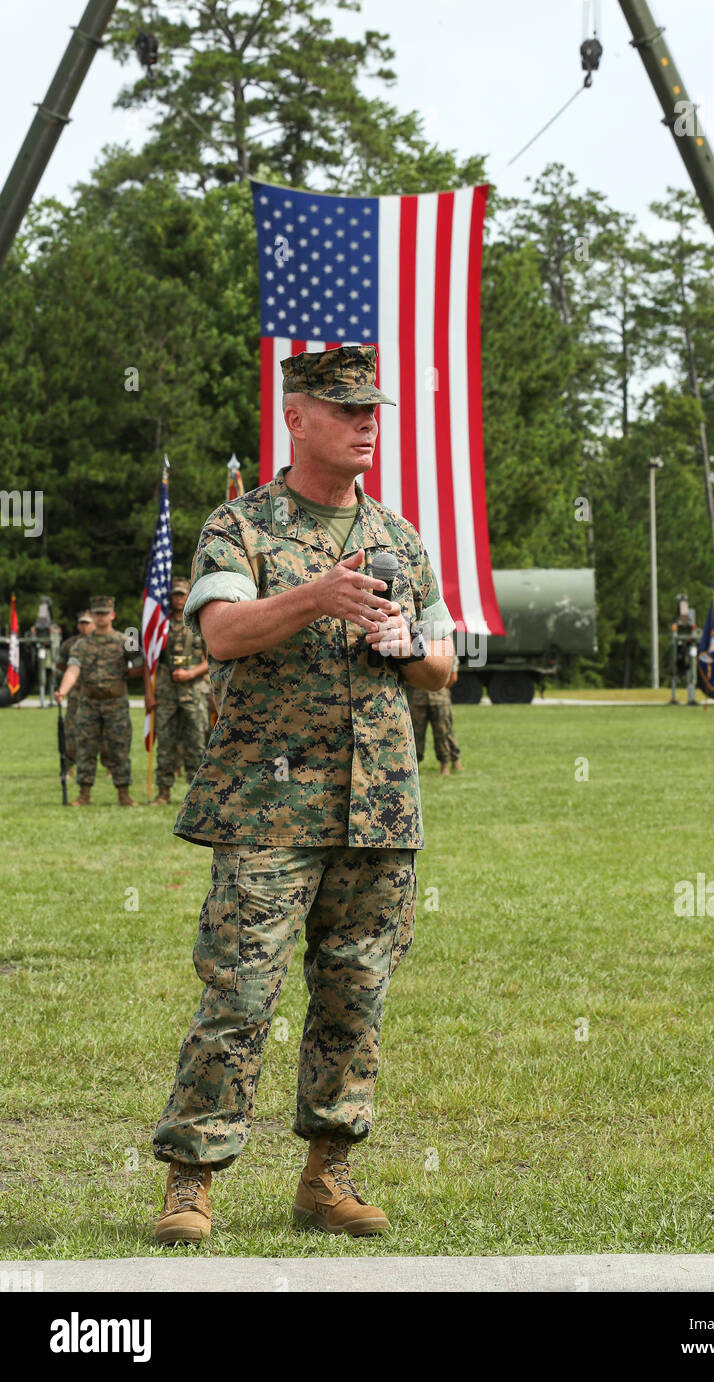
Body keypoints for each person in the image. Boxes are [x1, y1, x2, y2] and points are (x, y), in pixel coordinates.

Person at [152, 345, 455, 1245]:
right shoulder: (240, 525)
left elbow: (443, 664)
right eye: (348, 409)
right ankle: (191, 1182)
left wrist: (407, 645)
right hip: (269, 803)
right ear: (296, 417)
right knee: (242, 991)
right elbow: (221, 635)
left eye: (375, 411)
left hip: (380, 806)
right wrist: (319, 595)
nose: (368, 424)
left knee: (354, 996)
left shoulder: (400, 537)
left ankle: (327, 1177)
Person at [53, 595, 137, 806]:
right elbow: (73, 669)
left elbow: (142, 666)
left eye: (104, 613)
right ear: (92, 616)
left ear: (112, 615)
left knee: (119, 748)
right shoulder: (81, 645)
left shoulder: (125, 641)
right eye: (97, 613)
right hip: (88, 703)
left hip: (116, 703)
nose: (101, 617)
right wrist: (63, 690)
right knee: (86, 748)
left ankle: (124, 794)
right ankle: (84, 795)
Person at [146, 577, 210, 805]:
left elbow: (212, 658)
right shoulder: (160, 627)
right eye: (176, 595)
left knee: (196, 743)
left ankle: (197, 795)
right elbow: (150, 662)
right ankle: (163, 792)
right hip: (166, 693)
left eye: (183, 594)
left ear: (189, 595)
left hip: (194, 692)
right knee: (165, 743)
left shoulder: (200, 622)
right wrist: (149, 694)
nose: (179, 598)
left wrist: (191, 673)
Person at [407, 648, 463, 775]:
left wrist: (438, 686)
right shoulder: (414, 646)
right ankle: (414, 765)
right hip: (419, 698)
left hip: (437, 698)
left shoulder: (444, 649)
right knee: (416, 733)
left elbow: (453, 677)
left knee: (443, 731)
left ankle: (448, 762)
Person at [55, 611, 95, 775]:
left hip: (95, 693)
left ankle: (109, 766)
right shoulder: (70, 644)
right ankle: (69, 766)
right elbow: (60, 664)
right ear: (78, 625)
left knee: (102, 732)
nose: (84, 626)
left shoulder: (102, 641)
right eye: (82, 623)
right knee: (71, 730)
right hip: (75, 694)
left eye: (88, 623)